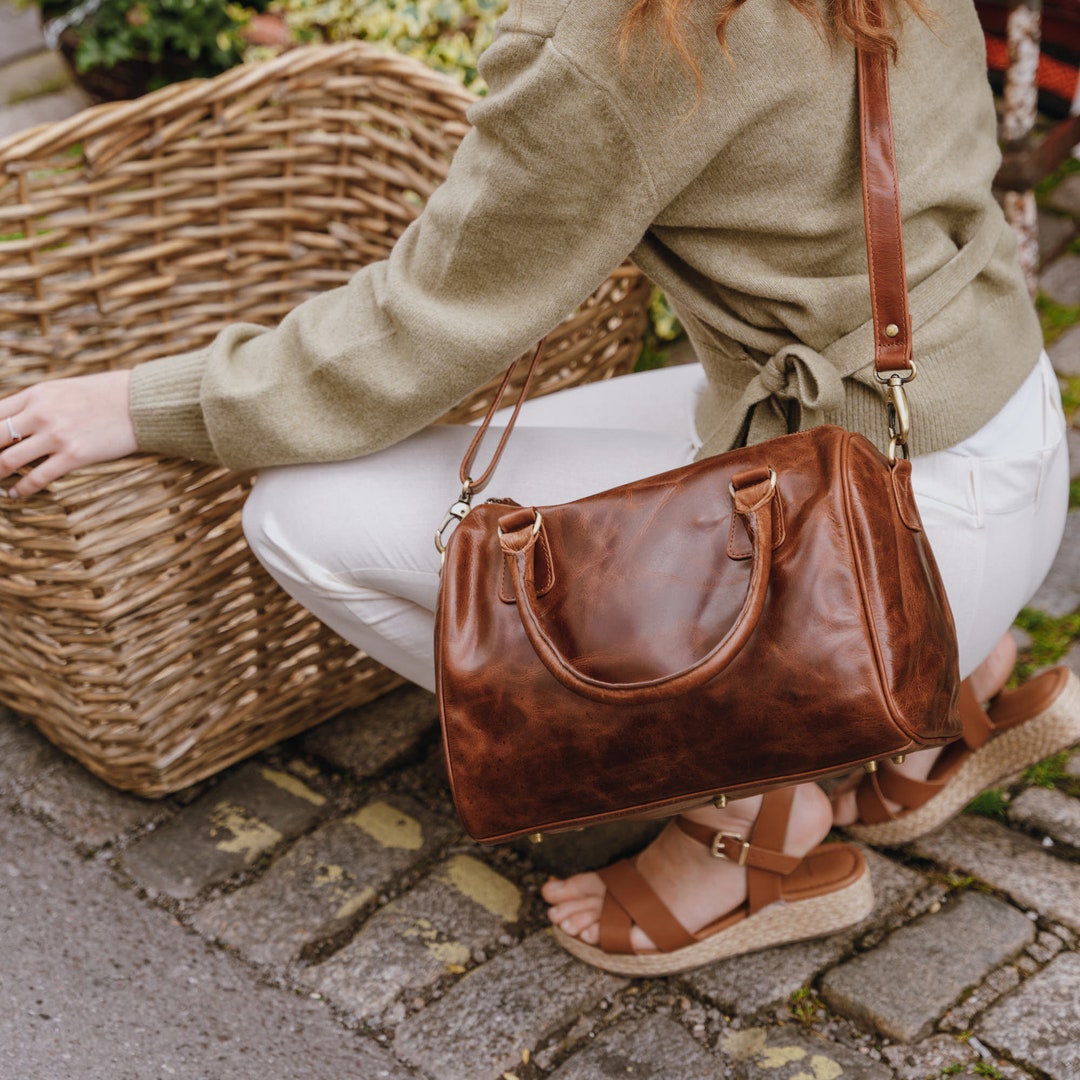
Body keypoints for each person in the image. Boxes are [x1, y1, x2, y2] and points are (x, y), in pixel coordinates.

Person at [0, 0, 1077, 976]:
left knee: (298, 518)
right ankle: (944, 706)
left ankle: (753, 804)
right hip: (982, 432)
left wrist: (137, 406)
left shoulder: (623, 36)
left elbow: (413, 335)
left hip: (882, 553)